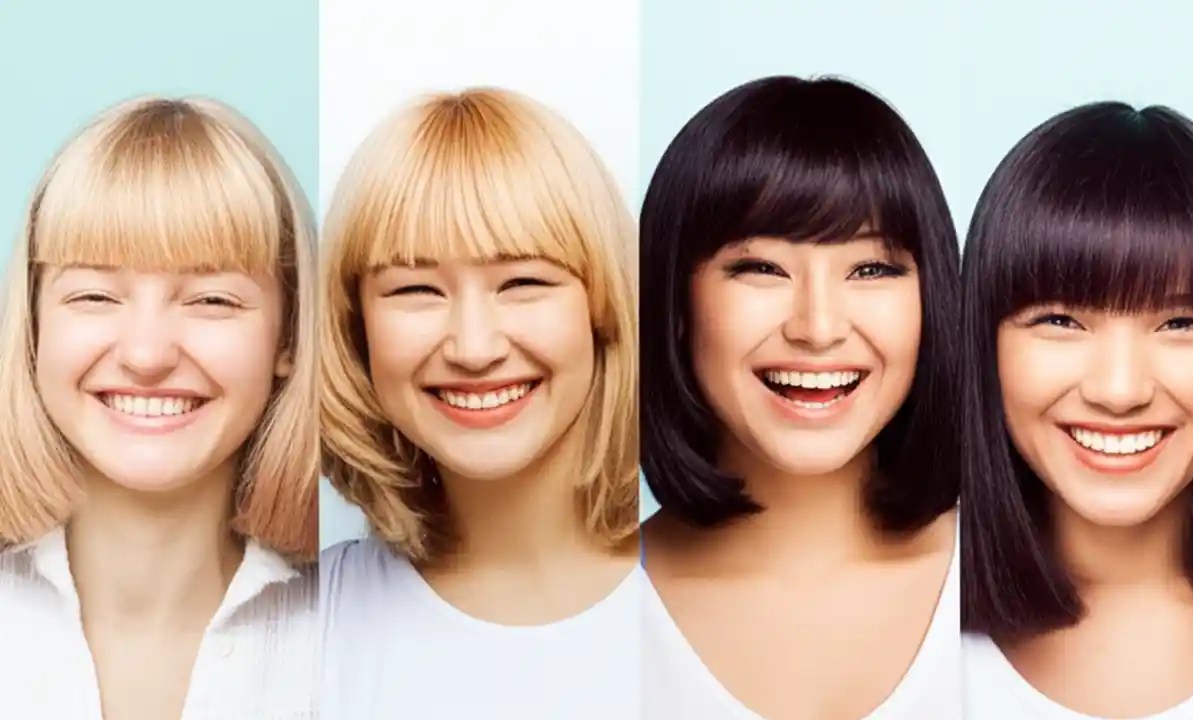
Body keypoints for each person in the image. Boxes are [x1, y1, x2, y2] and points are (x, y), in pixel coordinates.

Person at [639, 75, 962, 719]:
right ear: (677, 298)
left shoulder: (1023, 582)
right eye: (761, 269)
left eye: (871, 269)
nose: (818, 327)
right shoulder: (583, 616)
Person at [319, 87, 640, 718]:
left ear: (601, 306)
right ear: (357, 329)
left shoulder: (729, 609)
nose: (473, 347)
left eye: (523, 282)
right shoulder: (294, 632)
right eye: (415, 289)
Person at [0, 96, 319, 719]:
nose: (147, 354)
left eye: (212, 300)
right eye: (94, 294)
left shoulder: (366, 647)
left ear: (287, 337)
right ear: (35, 331)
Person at [961, 102, 1193, 718]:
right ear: (984, 346)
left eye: (1181, 322)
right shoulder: (904, 631)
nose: (1119, 390)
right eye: (1060, 320)